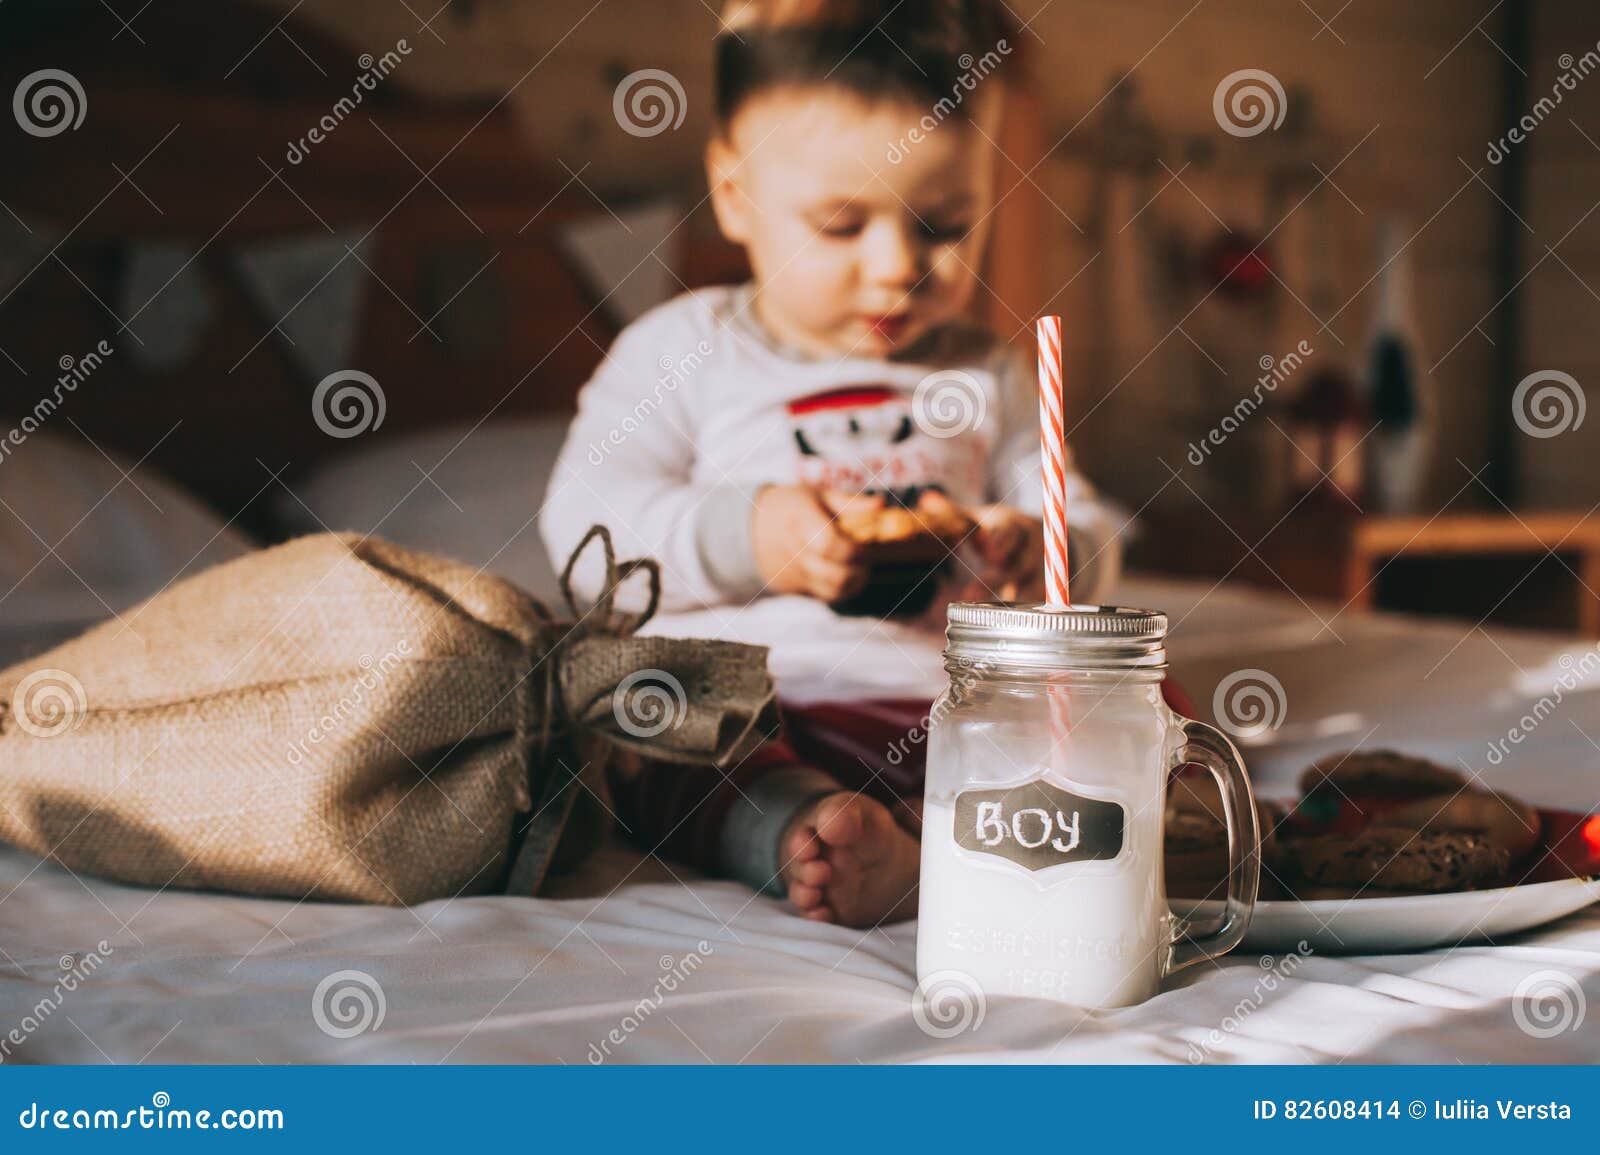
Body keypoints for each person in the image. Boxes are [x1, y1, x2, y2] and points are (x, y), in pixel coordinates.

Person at [541, 0, 1123, 927]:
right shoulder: (682, 351)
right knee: (651, 733)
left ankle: (957, 840)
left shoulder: (989, 369)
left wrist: (1042, 554)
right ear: (736, 195)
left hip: (961, 707)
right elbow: (585, 532)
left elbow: (1081, 523)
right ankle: (808, 833)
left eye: (944, 224)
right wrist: (750, 536)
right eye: (842, 226)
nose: (897, 265)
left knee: (1137, 701)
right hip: (765, 704)